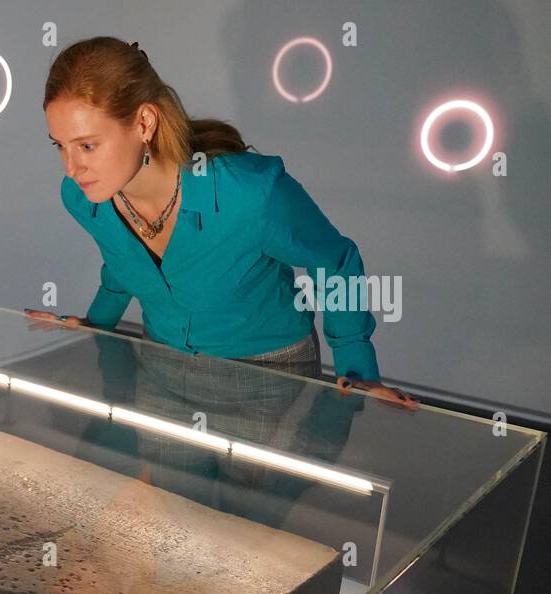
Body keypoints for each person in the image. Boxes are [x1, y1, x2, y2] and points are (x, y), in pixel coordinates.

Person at [26, 36, 417, 410]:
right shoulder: (82, 198)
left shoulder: (248, 193)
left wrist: (359, 374)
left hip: (268, 376)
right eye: (59, 145)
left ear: (144, 123)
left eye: (87, 145)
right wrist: (94, 329)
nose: (71, 167)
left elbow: (335, 261)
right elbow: (121, 263)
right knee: (166, 484)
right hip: (162, 368)